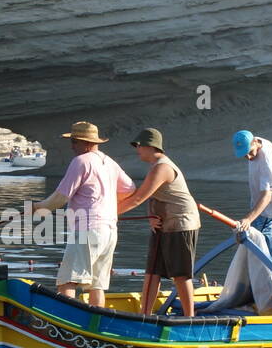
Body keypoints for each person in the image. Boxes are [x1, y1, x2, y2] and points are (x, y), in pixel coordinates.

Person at [32, 121, 136, 308]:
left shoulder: (80, 161)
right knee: (96, 286)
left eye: (74, 141)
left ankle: (66, 324)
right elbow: (130, 188)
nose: (71, 146)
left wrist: (38, 207)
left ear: (85, 142)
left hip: (88, 231)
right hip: (110, 231)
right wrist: (109, 205)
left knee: (67, 281)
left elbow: (61, 197)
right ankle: (97, 325)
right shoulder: (109, 162)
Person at [116, 128, 201, 316]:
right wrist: (150, 217)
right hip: (163, 224)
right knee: (152, 272)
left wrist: (108, 214)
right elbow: (150, 196)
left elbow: (138, 197)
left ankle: (190, 318)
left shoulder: (163, 167)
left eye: (139, 145)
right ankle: (144, 315)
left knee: (180, 274)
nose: (137, 149)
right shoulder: (155, 167)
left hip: (181, 224)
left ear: (150, 146)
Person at [231, 130, 272, 239]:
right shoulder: (258, 141)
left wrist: (248, 219)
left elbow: (267, 196)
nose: (248, 157)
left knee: (264, 244)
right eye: (244, 154)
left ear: (254, 142)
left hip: (269, 211)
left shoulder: (267, 162)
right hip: (263, 209)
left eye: (249, 152)